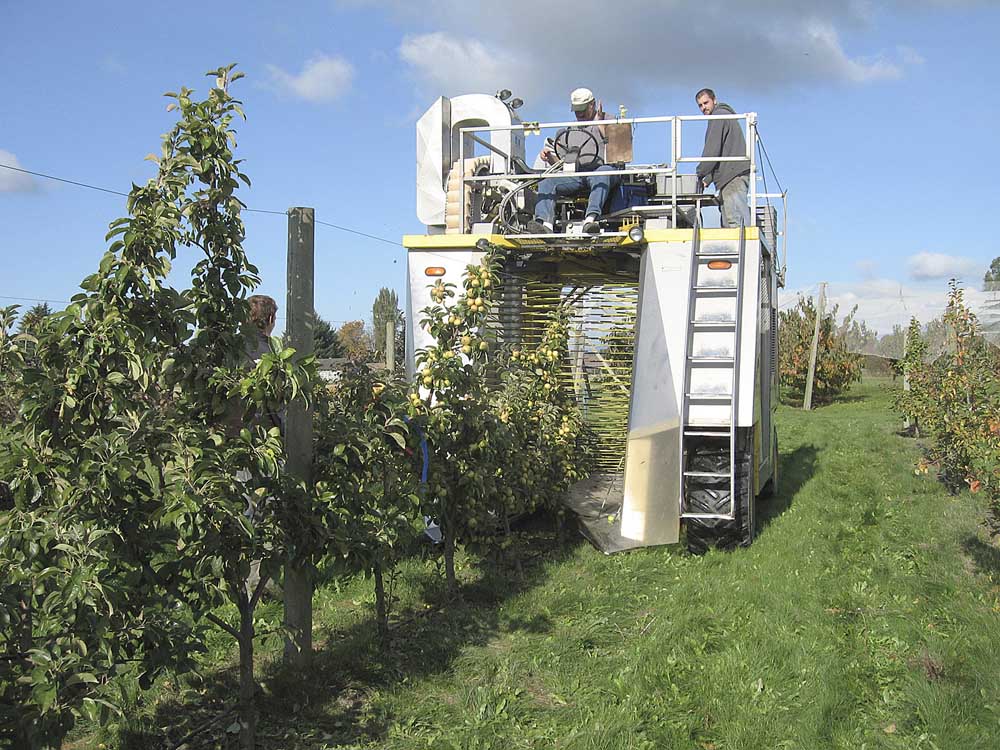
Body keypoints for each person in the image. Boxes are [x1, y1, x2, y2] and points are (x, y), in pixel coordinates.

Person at [527, 87, 618, 234]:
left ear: (592, 104)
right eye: (576, 110)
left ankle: (590, 220)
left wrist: (600, 123)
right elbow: (561, 164)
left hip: (603, 169)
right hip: (578, 174)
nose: (579, 113)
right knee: (547, 180)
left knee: (602, 173)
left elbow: (616, 146)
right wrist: (549, 157)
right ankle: (545, 224)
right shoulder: (568, 131)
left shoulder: (609, 120)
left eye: (582, 109)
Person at [695, 88, 750, 229]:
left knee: (734, 223)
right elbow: (721, 155)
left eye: (706, 103)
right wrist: (708, 179)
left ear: (714, 100)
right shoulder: (722, 116)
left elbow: (712, 151)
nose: (703, 108)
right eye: (700, 105)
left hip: (733, 176)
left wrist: (700, 173)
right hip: (729, 175)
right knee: (728, 224)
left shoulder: (718, 116)